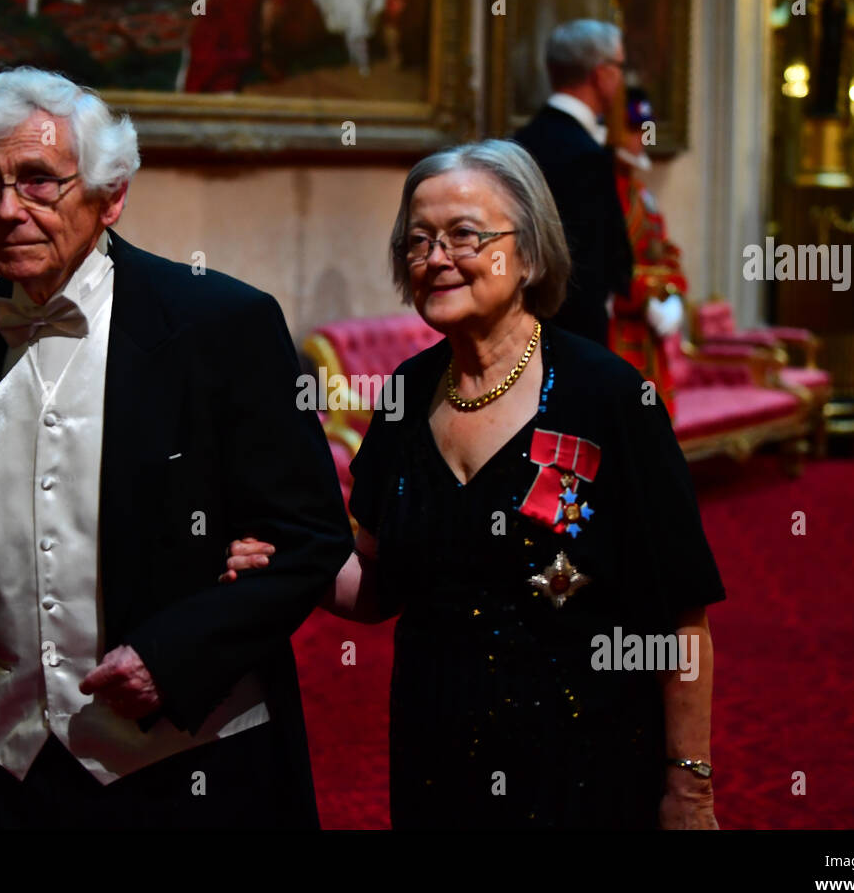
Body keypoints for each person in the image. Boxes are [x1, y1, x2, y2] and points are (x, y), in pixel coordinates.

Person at [0, 67, 352, 829]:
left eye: (39, 181)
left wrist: (171, 659)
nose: (9, 210)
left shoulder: (221, 323)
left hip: (186, 759)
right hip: (9, 762)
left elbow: (311, 538)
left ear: (112, 195)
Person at [226, 139, 725, 828]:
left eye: (464, 235)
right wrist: (291, 561)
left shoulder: (606, 396)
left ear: (529, 252)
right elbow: (376, 583)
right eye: (418, 239)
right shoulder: (406, 392)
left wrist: (689, 787)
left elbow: (681, 614)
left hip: (587, 763)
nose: (436, 257)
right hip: (437, 759)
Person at [514, 19, 634, 347]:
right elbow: (587, 268)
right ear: (600, 73)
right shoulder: (585, 155)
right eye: (620, 66)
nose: (622, 78)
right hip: (574, 339)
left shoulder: (521, 142)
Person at [611, 87, 687, 418]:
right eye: (634, 129)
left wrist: (671, 296)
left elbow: (665, 253)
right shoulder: (597, 191)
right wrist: (642, 296)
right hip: (611, 334)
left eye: (646, 130)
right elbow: (596, 270)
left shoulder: (642, 194)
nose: (641, 139)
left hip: (647, 339)